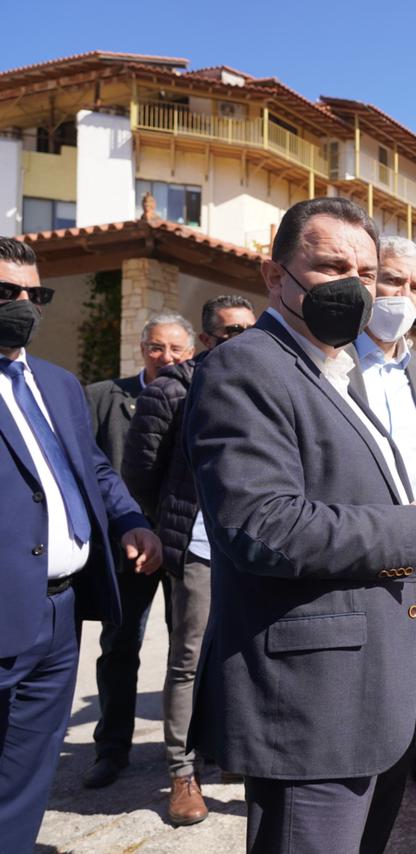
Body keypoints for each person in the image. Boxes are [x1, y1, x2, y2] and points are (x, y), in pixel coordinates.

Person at [184, 197, 416, 854]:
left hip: (373, 696)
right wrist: (414, 530)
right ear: (276, 276)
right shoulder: (245, 367)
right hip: (312, 709)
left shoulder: (339, 370)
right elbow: (260, 525)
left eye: (362, 269)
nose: (351, 286)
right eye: (330, 266)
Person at [1, 237, 162, 853]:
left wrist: (128, 521)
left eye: (34, 294)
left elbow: (94, 469)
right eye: (5, 292)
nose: (23, 305)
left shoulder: (58, 384)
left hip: (61, 613)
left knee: (26, 772)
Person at [121, 295, 256, 825]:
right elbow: (141, 476)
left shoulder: (263, 384)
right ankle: (181, 772)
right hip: (199, 547)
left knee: (244, 652)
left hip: (253, 546)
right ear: (206, 340)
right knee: (190, 658)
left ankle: (231, 751)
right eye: (228, 332)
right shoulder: (173, 390)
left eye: (247, 328)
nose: (239, 339)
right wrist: (171, 529)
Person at [346, 235, 416, 796]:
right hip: (347, 560)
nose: (402, 297)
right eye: (391, 280)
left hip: (411, 563)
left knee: (403, 688)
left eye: (415, 287)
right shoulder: (327, 361)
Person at [82, 312, 195, 790]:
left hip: (182, 547)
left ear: (189, 353)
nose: (165, 357)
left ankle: (190, 751)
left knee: (186, 652)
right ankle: (111, 750)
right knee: (120, 647)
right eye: (156, 347)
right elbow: (89, 469)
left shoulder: (199, 395)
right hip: (126, 549)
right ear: (141, 347)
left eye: (176, 349)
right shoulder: (103, 397)